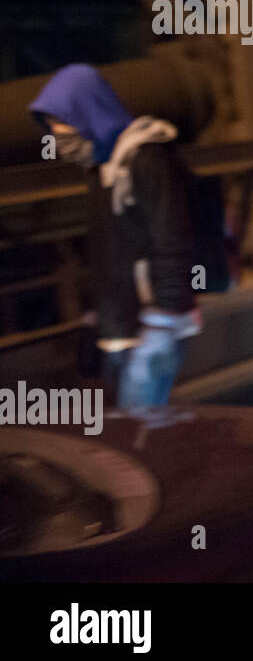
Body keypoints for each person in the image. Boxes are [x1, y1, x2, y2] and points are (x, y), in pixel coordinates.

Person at [29, 64, 202, 408]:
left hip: (152, 326)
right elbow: (115, 246)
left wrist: (162, 322)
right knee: (137, 429)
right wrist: (101, 310)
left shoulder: (149, 158)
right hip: (120, 327)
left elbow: (173, 239)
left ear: (88, 112)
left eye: (63, 126)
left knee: (141, 432)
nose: (59, 140)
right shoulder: (102, 166)